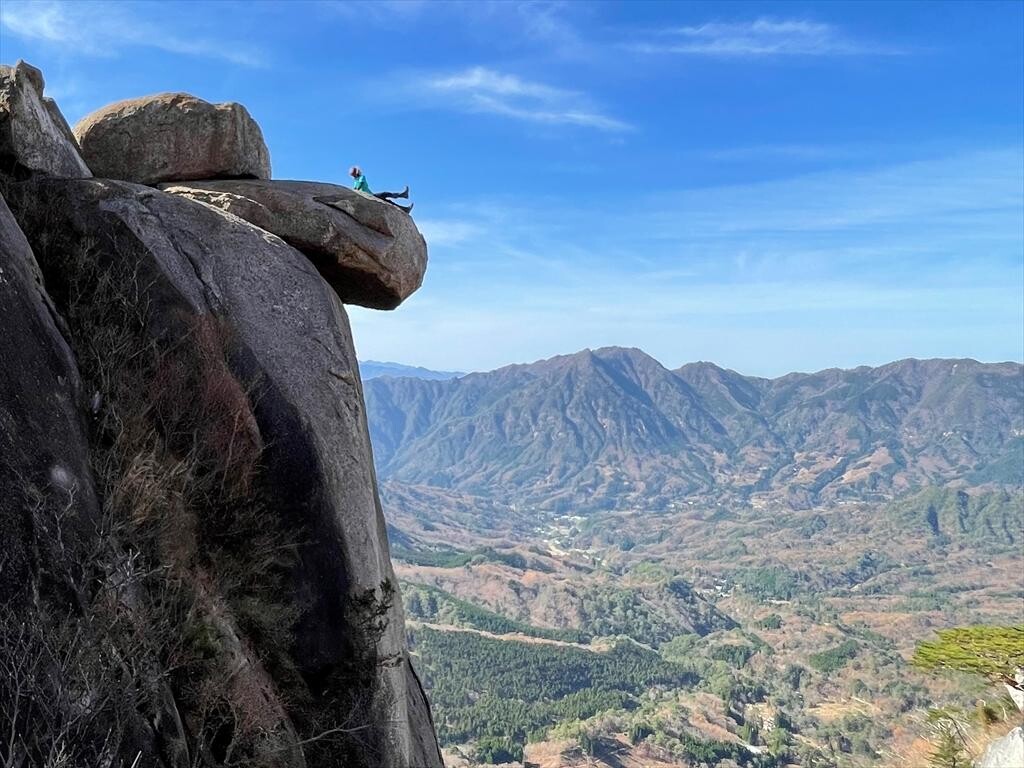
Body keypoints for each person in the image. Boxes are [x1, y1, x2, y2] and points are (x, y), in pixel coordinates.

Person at [349, 166, 413, 213]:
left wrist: (356, 190)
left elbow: (358, 186)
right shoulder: (358, 179)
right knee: (386, 195)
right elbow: (358, 186)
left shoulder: (358, 179)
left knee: (388, 201)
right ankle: (403, 196)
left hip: (370, 196)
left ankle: (405, 209)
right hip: (370, 196)